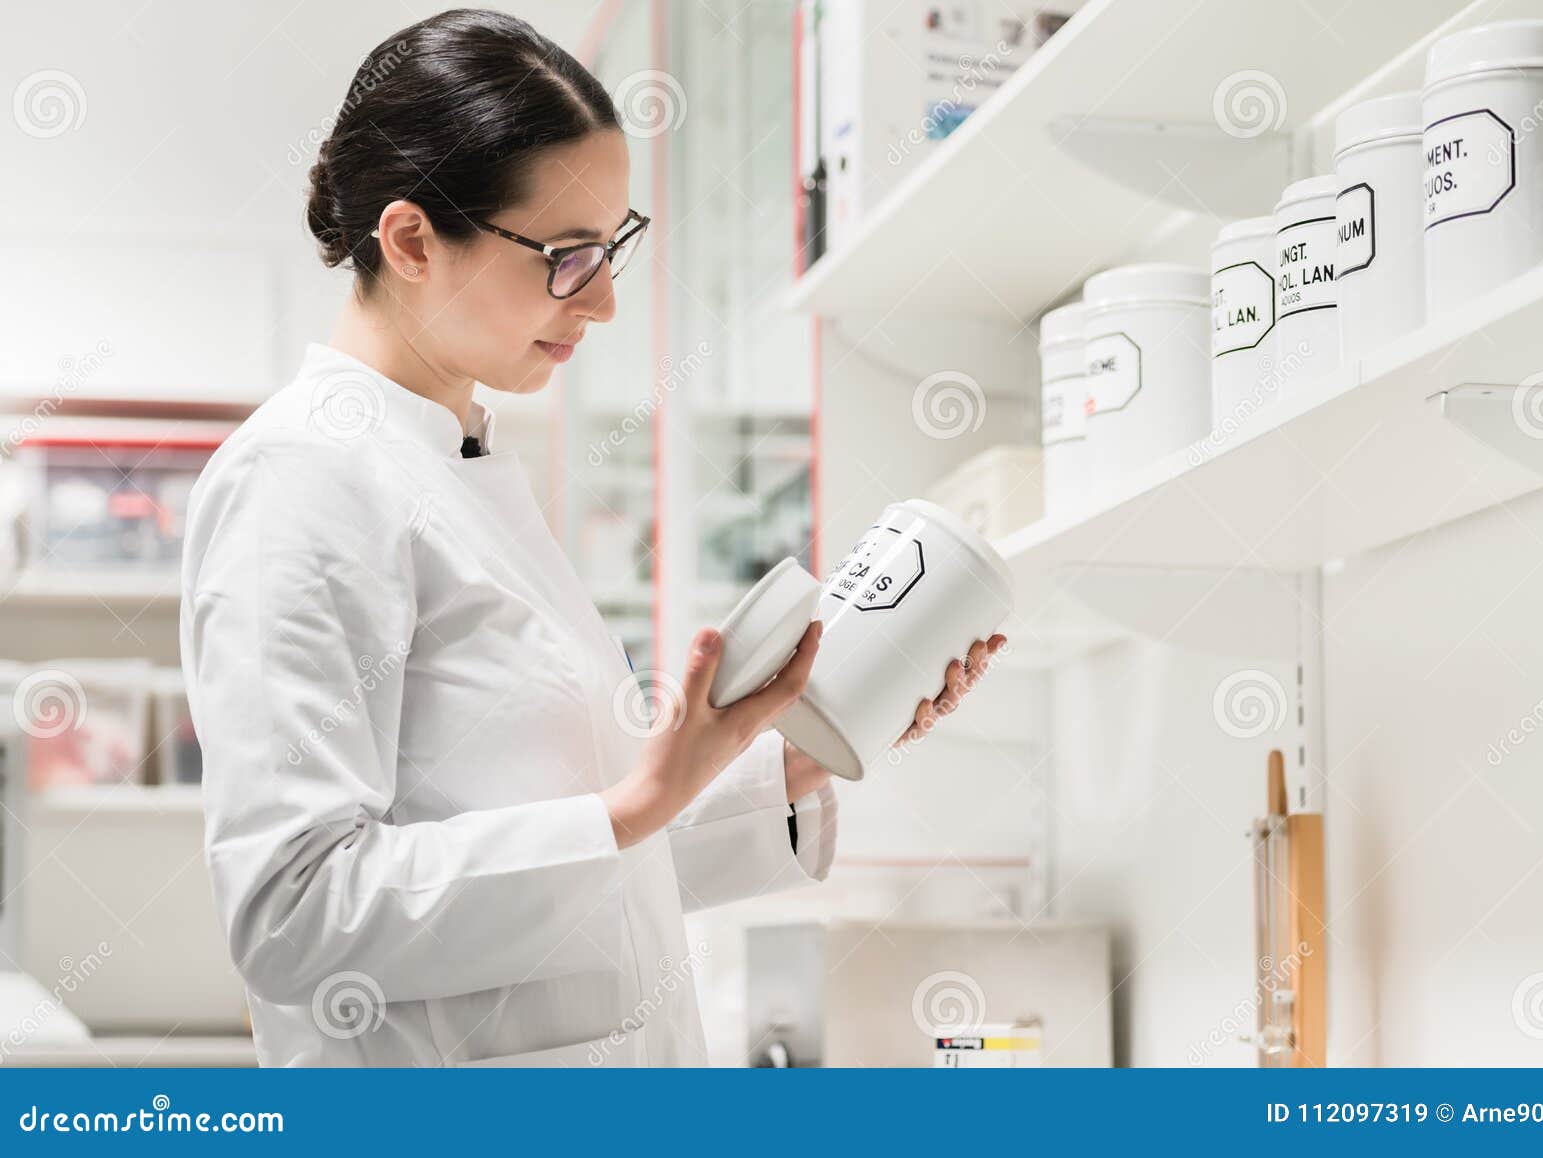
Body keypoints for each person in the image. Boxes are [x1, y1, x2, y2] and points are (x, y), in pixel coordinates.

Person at [179, 8, 1001, 1067]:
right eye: (567, 257)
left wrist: (785, 759)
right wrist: (636, 805)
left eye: (611, 247)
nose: (605, 300)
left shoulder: (466, 470)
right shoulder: (300, 478)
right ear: (412, 240)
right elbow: (292, 915)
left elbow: (583, 874)